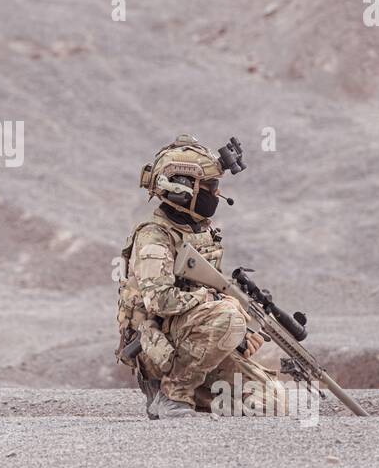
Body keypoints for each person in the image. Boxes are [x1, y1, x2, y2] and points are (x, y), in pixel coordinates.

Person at [115, 134, 284, 419]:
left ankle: (193, 392)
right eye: (209, 187)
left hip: (189, 342)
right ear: (180, 189)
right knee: (229, 314)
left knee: (271, 402)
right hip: (156, 348)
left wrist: (240, 337)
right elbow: (159, 301)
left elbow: (207, 307)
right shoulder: (154, 237)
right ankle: (171, 395)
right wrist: (223, 307)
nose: (215, 194)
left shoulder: (199, 234)